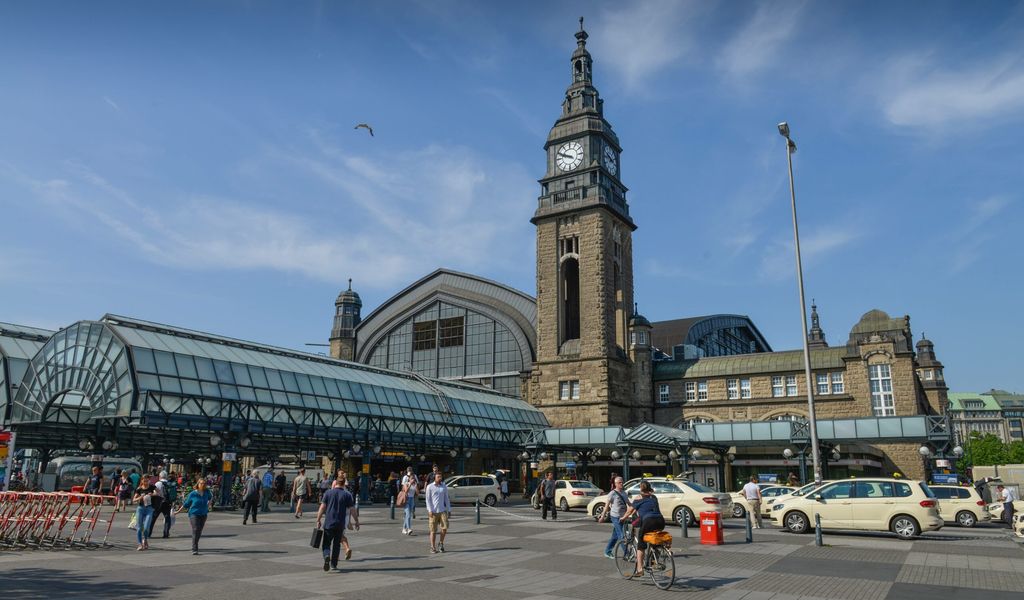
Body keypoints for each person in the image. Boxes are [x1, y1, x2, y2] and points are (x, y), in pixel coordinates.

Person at [620, 480, 665, 577]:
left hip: (649, 521)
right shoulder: (654, 497)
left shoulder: (639, 498)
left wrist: (623, 518)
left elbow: (629, 511)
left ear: (640, 488)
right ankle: (654, 560)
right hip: (660, 521)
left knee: (641, 545)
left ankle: (640, 570)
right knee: (654, 540)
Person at [316, 479, 355, 571]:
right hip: (340, 524)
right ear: (343, 484)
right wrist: (356, 521)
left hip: (329, 523)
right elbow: (352, 509)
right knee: (336, 545)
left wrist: (318, 519)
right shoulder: (347, 495)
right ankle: (334, 564)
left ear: (336, 483)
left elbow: (322, 507)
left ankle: (326, 555)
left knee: (326, 543)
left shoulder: (328, 493)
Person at [175, 478, 214, 555]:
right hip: (194, 514)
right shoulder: (193, 494)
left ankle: (195, 543)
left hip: (203, 514)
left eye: (204, 483)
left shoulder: (207, 492)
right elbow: (186, 504)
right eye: (201, 483)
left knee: (199, 531)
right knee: (195, 529)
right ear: (198, 484)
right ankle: (194, 548)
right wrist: (178, 511)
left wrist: (208, 505)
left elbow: (211, 498)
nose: (202, 485)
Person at [600, 476, 628, 559]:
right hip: (615, 517)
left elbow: (629, 503)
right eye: (619, 482)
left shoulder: (624, 493)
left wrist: (635, 511)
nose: (621, 483)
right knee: (621, 536)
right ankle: (627, 554)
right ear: (615, 484)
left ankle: (607, 551)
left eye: (622, 482)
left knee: (615, 536)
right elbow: (606, 506)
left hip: (623, 517)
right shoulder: (612, 493)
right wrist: (602, 516)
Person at [426, 472, 451, 554]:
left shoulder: (444, 486)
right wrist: (429, 510)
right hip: (433, 512)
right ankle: (432, 547)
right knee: (433, 530)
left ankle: (441, 543)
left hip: (442, 510)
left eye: (441, 477)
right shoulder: (430, 487)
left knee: (445, 528)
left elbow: (446, 498)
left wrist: (449, 509)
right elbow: (428, 500)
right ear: (434, 478)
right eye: (438, 477)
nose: (440, 478)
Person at [132, 474, 157, 551]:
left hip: (149, 509)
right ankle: (140, 544)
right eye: (144, 480)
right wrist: (140, 497)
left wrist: (152, 494)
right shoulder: (139, 489)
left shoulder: (152, 487)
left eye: (147, 480)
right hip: (140, 509)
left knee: (146, 528)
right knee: (139, 528)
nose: (145, 482)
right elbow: (134, 500)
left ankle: (145, 539)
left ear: (149, 480)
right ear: (142, 480)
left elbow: (157, 493)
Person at [153, 471, 177, 538]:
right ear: (166, 476)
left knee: (154, 517)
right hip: (168, 502)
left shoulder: (158, 483)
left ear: (160, 476)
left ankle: (149, 532)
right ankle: (166, 533)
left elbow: (155, 493)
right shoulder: (169, 483)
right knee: (167, 517)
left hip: (159, 502)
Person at [401, 470, 419, 535]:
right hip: (407, 499)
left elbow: (417, 493)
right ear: (409, 479)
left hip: (412, 500)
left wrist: (416, 487)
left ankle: (403, 529)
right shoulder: (406, 484)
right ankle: (409, 529)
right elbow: (406, 491)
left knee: (407, 515)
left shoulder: (415, 484)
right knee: (408, 515)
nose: (413, 480)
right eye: (412, 478)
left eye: (414, 478)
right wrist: (410, 484)